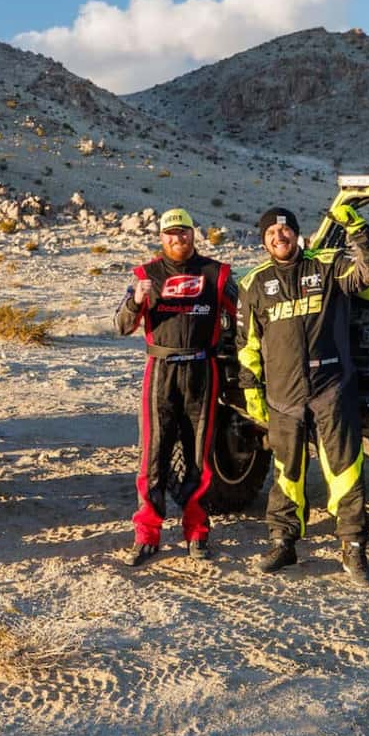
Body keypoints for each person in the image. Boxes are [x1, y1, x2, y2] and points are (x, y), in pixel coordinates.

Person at [236, 204, 369, 586]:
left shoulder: (328, 265)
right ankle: (283, 543)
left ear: (298, 235)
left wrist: (359, 231)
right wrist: (252, 392)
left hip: (331, 388)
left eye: (284, 232)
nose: (278, 237)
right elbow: (247, 346)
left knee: (345, 470)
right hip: (283, 395)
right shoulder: (254, 283)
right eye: (271, 234)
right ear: (263, 240)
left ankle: (353, 549)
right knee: (286, 473)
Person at [115, 208, 236, 566]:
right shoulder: (145, 275)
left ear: (193, 235)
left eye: (183, 233)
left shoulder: (217, 273)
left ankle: (197, 532)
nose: (177, 239)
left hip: (202, 368)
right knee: (152, 457)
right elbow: (121, 325)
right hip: (161, 370)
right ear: (160, 238)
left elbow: (247, 313)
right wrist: (136, 299)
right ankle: (147, 534)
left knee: (199, 458)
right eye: (170, 234)